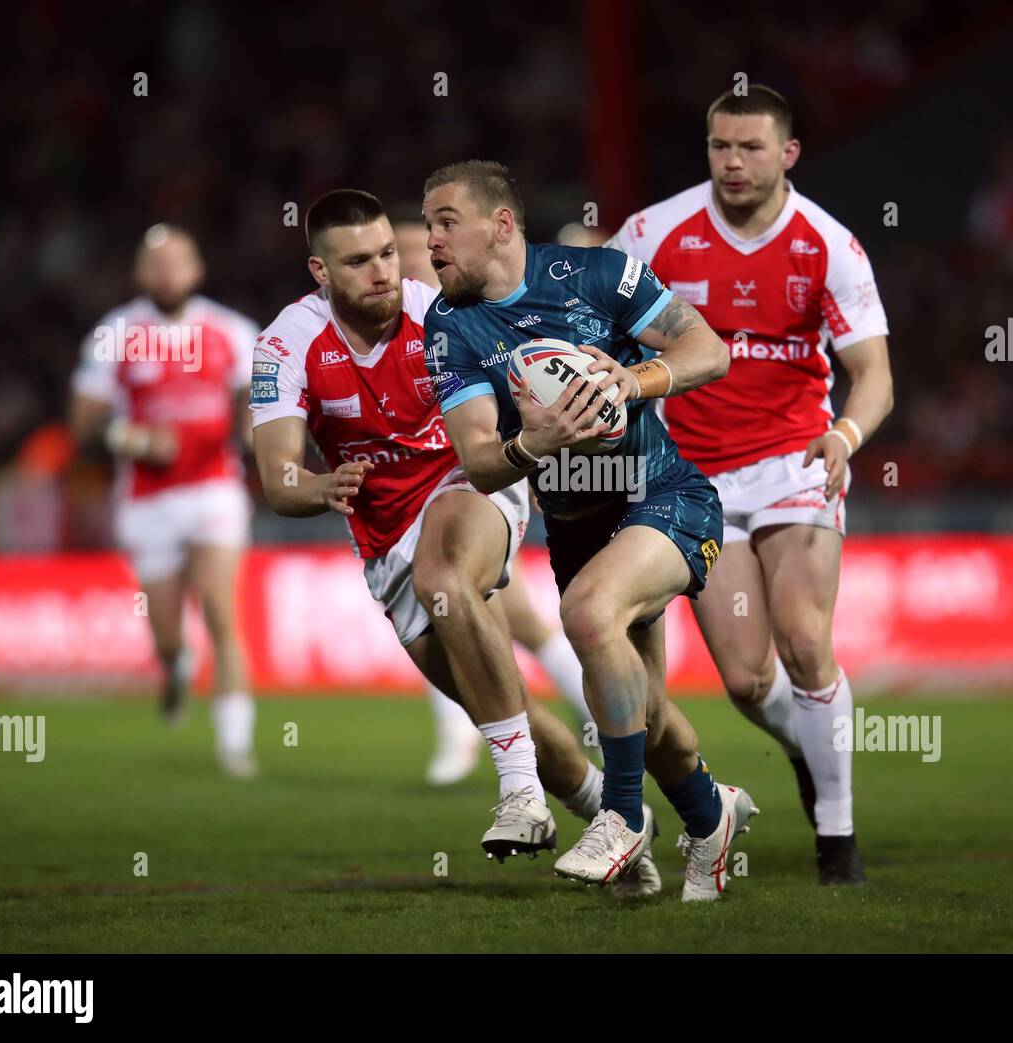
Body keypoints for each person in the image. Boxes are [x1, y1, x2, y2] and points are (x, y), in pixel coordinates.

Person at [251, 190, 657, 886]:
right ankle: (618, 831)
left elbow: (528, 379)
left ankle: (518, 794)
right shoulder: (285, 344)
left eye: (386, 252)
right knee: (510, 713)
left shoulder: (443, 312)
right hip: (384, 543)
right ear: (320, 272)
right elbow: (277, 474)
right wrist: (316, 487)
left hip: (470, 482)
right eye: (358, 262)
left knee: (445, 578)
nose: (382, 270)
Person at [422, 160, 758, 902]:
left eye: (446, 221)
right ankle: (711, 817)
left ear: (501, 224)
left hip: (664, 497)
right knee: (649, 711)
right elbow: (479, 461)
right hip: (576, 530)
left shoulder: (599, 274)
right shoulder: (449, 323)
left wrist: (628, 382)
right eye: (428, 223)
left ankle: (621, 814)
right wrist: (533, 444)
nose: (431, 240)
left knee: (585, 613)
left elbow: (709, 350)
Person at [608, 85, 894, 883]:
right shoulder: (654, 232)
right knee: (745, 677)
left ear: (788, 154)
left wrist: (846, 433)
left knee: (805, 639)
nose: (732, 163)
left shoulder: (829, 245)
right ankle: (810, 746)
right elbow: (604, 320)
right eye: (719, 147)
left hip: (798, 464)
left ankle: (836, 839)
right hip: (695, 473)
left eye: (751, 148)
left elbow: (874, 375)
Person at [392, 215, 592, 785]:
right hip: (423, 499)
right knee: (482, 615)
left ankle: (502, 748)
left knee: (463, 603)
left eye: (414, 250)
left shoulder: (461, 317)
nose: (408, 262)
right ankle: (550, 732)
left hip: (475, 487)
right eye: (399, 251)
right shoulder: (398, 328)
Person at [70, 224, 259, 778]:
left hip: (212, 488)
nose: (167, 273)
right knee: (168, 634)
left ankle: (235, 747)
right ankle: (177, 664)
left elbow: (256, 396)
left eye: (177, 262)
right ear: (139, 273)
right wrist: (129, 439)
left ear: (197, 269)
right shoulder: (116, 332)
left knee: (224, 614)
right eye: (156, 264)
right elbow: (83, 422)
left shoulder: (229, 329)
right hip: (147, 498)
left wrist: (254, 433)